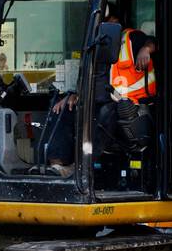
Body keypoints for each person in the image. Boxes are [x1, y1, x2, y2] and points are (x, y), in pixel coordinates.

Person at [39, 11, 156, 173]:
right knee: (64, 107)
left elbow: (152, 41)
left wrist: (146, 49)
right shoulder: (99, 48)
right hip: (100, 100)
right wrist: (76, 96)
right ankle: (57, 165)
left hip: (131, 106)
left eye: (106, 23)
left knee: (105, 113)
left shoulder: (131, 38)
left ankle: (82, 169)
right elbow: (97, 81)